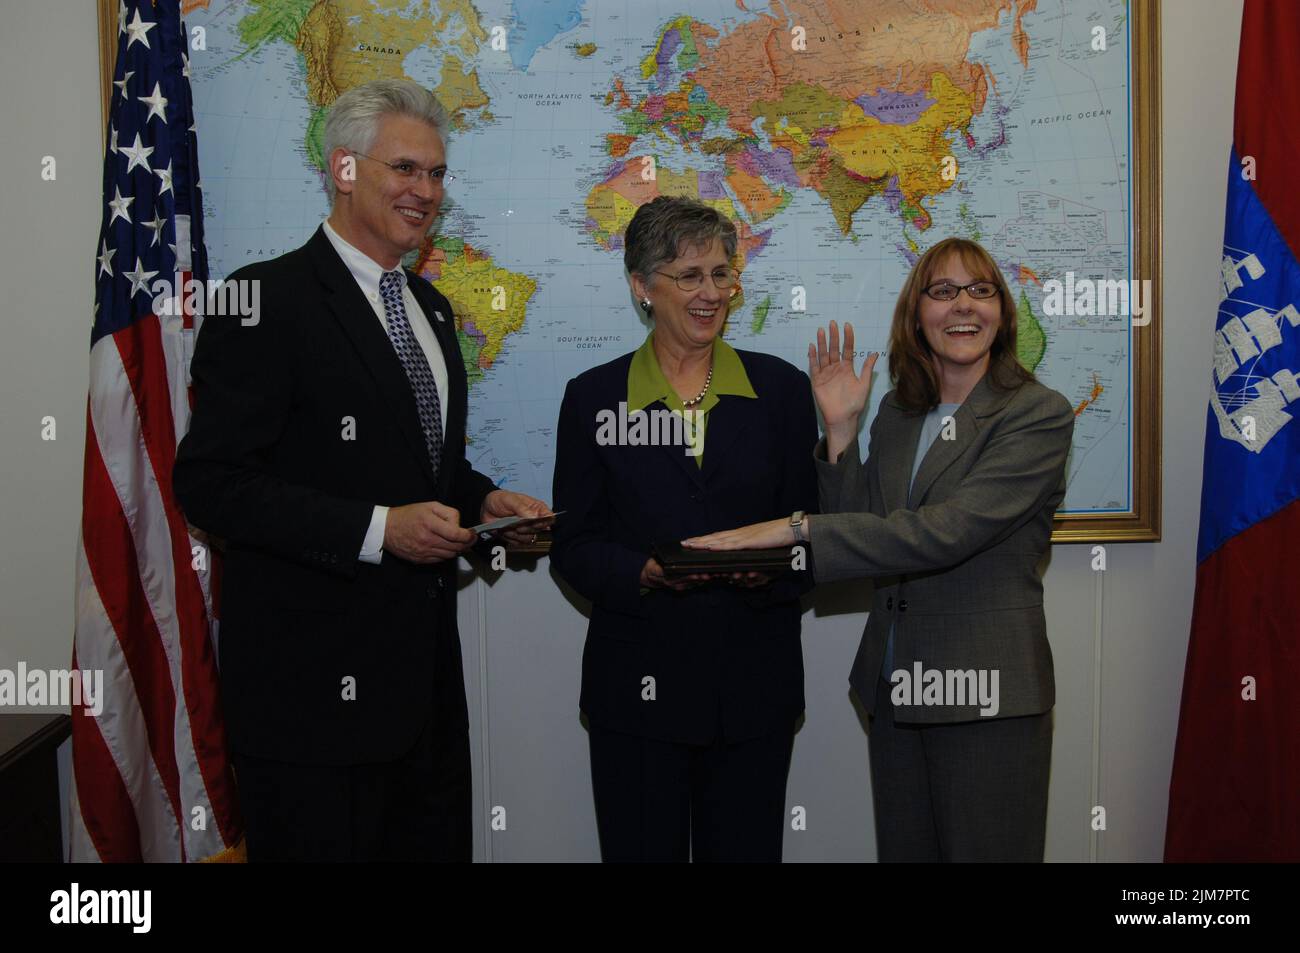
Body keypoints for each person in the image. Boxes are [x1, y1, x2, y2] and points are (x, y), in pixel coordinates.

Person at [173, 79, 550, 862]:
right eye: (405, 168)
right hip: (309, 712)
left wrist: (485, 500)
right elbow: (211, 481)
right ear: (344, 168)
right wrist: (380, 531)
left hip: (425, 705)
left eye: (438, 174)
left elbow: (419, 463)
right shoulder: (262, 298)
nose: (425, 191)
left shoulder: (431, 309)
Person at [685, 237, 1075, 861]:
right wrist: (840, 434)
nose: (962, 306)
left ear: (1002, 311)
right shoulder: (898, 413)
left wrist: (796, 527)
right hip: (896, 687)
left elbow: (949, 532)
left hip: (985, 693)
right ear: (917, 314)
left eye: (980, 290)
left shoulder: (1036, 414)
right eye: (942, 292)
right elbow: (862, 538)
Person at [550, 196, 818, 862]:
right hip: (636, 695)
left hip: (753, 692)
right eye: (689, 275)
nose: (711, 293)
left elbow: (813, 540)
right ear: (642, 287)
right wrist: (638, 571)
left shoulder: (781, 390)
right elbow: (573, 545)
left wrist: (773, 567)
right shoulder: (593, 398)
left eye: (721, 274)